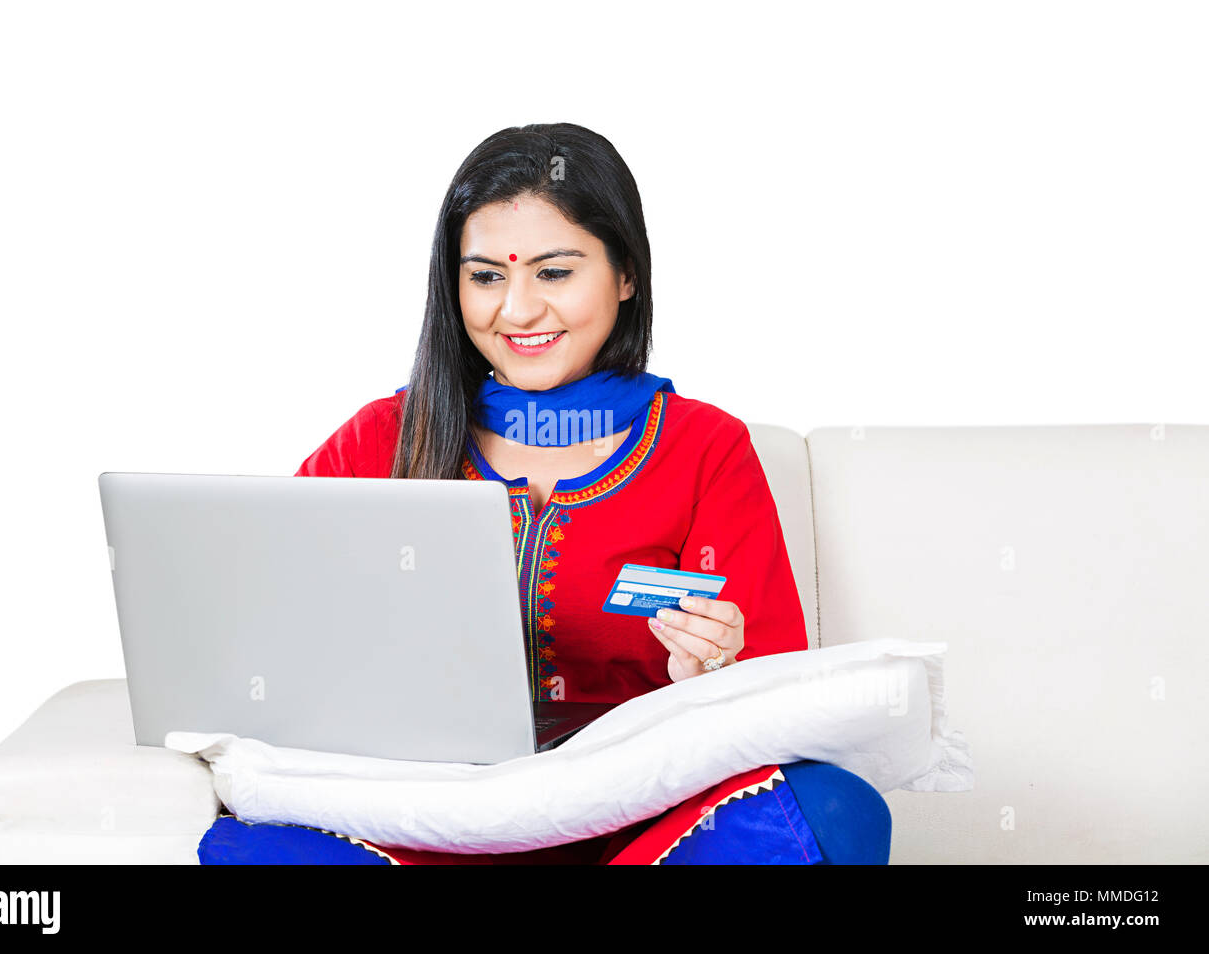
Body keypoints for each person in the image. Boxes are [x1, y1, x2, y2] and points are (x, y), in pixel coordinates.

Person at [198, 123, 891, 864]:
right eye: (487, 276)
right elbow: (254, 635)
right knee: (250, 845)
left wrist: (712, 675)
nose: (518, 311)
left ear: (626, 275)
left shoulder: (703, 448)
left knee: (835, 812)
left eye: (554, 273)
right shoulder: (380, 440)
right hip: (419, 822)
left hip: (638, 827)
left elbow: (776, 696)